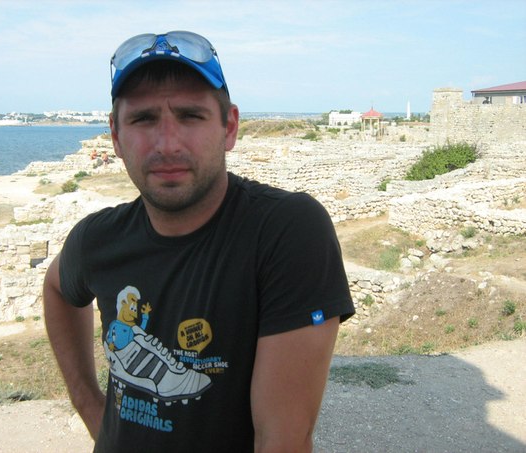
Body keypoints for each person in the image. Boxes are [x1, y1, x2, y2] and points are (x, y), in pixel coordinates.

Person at [43, 30, 355, 453]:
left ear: (229, 127)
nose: (167, 144)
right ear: (115, 136)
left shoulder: (285, 231)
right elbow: (58, 288)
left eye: (191, 115)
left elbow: (282, 440)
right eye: (143, 119)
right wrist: (87, 402)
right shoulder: (98, 239)